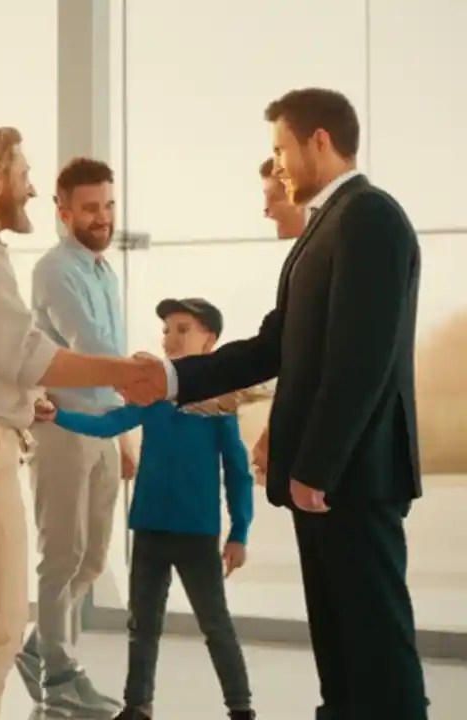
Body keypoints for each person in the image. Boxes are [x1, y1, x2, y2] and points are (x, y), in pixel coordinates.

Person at [122, 88, 428, 720]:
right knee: (341, 647)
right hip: (330, 478)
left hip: (353, 476)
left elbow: (362, 358)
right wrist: (173, 377)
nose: (278, 164)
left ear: (319, 140)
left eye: (280, 147)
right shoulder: (324, 228)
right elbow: (272, 348)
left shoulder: (369, 216)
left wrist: (318, 465)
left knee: (376, 648)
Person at [0, 126, 155, 720]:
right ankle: (55, 674)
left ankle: (47, 671)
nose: (30, 187)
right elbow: (25, 350)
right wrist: (128, 371)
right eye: (22, 175)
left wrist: (27, 398)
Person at [37, 297, 256, 720]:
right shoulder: (153, 398)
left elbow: (238, 474)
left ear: (210, 340)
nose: (169, 338)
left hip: (197, 534)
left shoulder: (220, 408)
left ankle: (241, 708)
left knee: (215, 624)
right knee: (142, 627)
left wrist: (239, 531)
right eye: (167, 329)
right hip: (150, 530)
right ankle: (138, 707)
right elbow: (107, 425)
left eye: (182, 329)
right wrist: (56, 416)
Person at [15, 157, 131, 717]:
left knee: (93, 557)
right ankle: (58, 678)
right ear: (63, 211)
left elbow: (110, 361)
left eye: (108, 205)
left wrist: (126, 431)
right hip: (61, 428)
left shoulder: (104, 270)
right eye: (90, 207)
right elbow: (93, 345)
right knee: (62, 555)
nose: (103, 216)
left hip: (104, 428)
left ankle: (39, 652)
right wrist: (153, 384)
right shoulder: (55, 270)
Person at [250, 158, 308, 484]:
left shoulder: (325, 261)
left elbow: (315, 366)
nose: (266, 210)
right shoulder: (302, 261)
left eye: (274, 196)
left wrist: (275, 434)